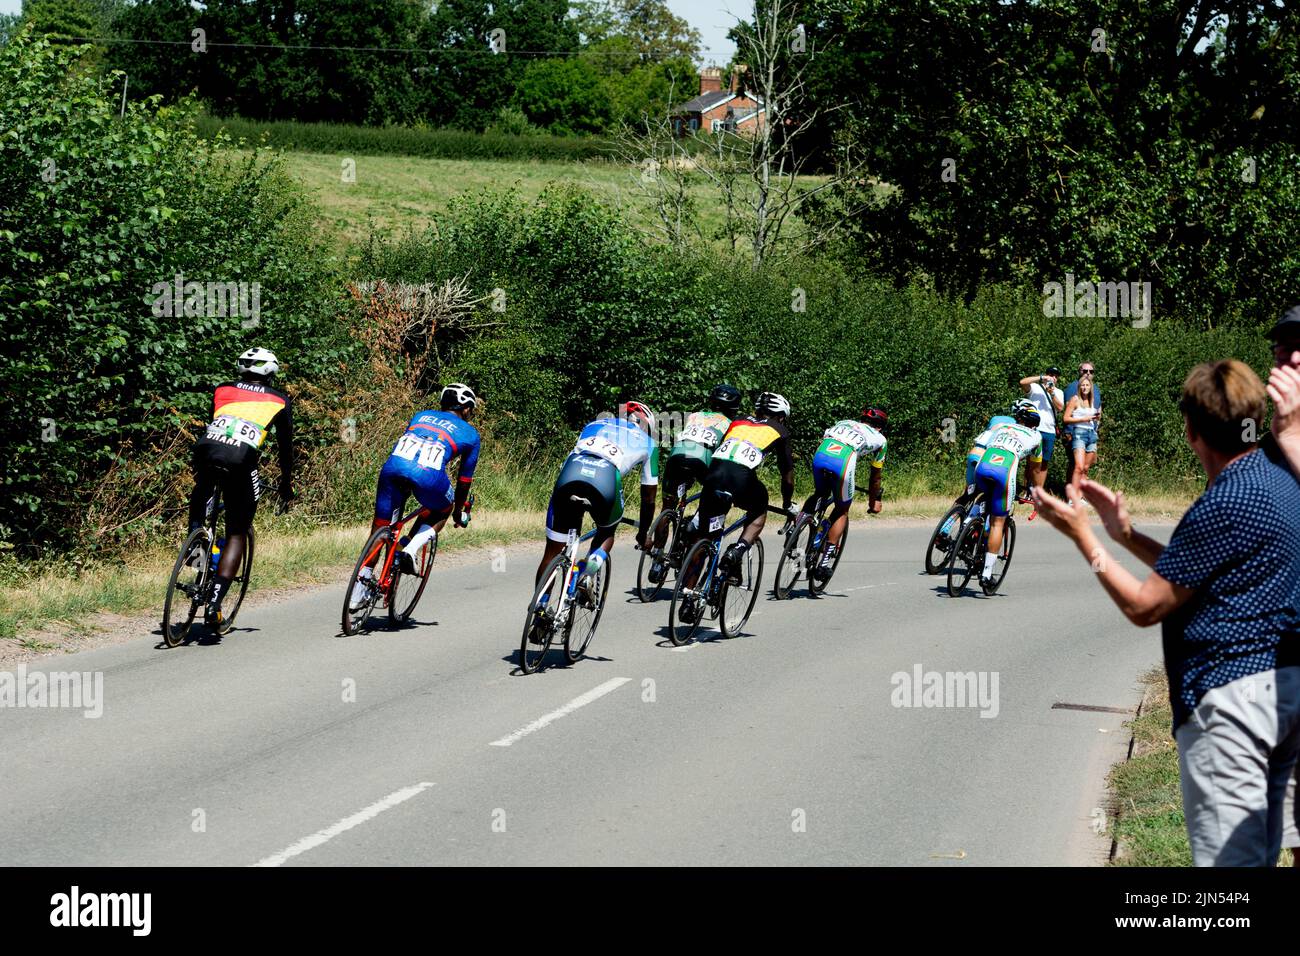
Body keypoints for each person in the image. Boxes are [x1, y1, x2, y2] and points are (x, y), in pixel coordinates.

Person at [1033, 359, 1300, 867]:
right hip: (1280, 699)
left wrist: (1083, 536)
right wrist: (1125, 535)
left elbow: (1143, 606)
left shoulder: (1222, 503)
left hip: (1231, 710)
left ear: (1192, 430)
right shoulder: (1276, 481)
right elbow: (1199, 572)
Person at [188, 347, 294, 628]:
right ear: (271, 372)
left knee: (202, 490)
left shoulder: (222, 388)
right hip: (240, 460)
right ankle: (214, 602)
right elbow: (285, 450)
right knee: (237, 531)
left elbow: (219, 424)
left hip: (206, 450)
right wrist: (286, 484)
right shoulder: (280, 400)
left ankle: (194, 542)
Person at [350, 383, 480, 610]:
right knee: (444, 508)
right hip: (427, 476)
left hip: (392, 470)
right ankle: (409, 549)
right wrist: (459, 511)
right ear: (466, 409)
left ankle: (358, 592)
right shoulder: (471, 434)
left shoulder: (421, 415)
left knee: (381, 528)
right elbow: (464, 480)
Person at [534, 401, 658, 597]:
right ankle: (587, 573)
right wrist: (643, 534)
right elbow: (649, 497)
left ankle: (540, 611)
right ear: (646, 426)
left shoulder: (593, 424)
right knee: (607, 532)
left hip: (570, 474)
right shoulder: (649, 443)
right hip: (605, 479)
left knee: (552, 553)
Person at [684, 392, 795, 608]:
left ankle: (688, 596)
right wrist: (787, 503)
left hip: (714, 476)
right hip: (741, 479)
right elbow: (787, 476)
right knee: (759, 509)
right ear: (781, 416)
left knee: (705, 537)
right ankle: (738, 549)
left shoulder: (738, 421)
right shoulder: (780, 430)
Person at [650, 383, 741, 583]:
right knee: (710, 501)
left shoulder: (695, 415)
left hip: (677, 458)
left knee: (668, 506)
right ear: (733, 409)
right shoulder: (731, 424)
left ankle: (657, 557)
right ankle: (694, 526)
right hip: (703, 462)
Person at [802, 407, 886, 581]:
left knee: (820, 493)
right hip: (843, 460)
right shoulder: (881, 439)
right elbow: (875, 477)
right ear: (880, 426)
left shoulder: (845, 422)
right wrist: (873, 501)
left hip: (822, 452)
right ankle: (824, 564)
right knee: (842, 509)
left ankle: (797, 525)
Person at [970, 399, 1042, 587]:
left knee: (980, 494)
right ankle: (986, 574)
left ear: (1017, 418)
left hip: (982, 465)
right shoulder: (1036, 437)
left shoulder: (1002, 426)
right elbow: (1035, 470)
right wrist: (1034, 490)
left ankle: (969, 521)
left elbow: (980, 444)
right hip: (1004, 472)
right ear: (1034, 425)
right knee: (998, 522)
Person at [1019, 366, 1064, 500]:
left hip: (1049, 431)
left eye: (1055, 375)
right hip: (1034, 429)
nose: (1053, 377)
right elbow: (1022, 382)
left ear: (1058, 378)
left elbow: (1060, 407)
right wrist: (1041, 378)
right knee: (1030, 461)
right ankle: (1026, 490)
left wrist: (1052, 393)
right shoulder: (1036, 388)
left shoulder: (1059, 392)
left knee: (1044, 463)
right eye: (1050, 374)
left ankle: (1039, 493)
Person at [1063, 362, 1101, 488]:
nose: (1088, 373)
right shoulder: (1073, 388)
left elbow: (1098, 409)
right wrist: (1068, 433)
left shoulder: (1096, 390)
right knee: (1075, 466)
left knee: (1085, 467)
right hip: (1075, 433)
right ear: (1079, 371)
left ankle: (1081, 495)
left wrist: (1097, 423)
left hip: (1091, 434)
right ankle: (1070, 495)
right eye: (1085, 371)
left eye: (1091, 371)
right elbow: (1069, 413)